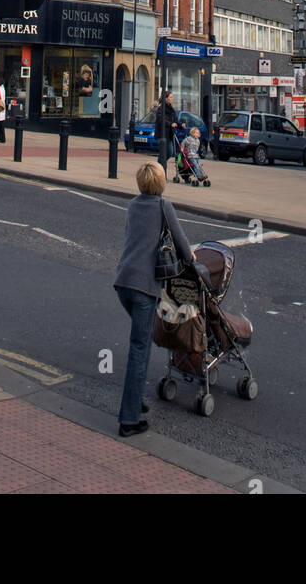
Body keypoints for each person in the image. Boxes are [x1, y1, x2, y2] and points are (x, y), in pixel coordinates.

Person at [113, 161, 194, 438]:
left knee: (141, 342)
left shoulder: (133, 205)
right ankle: (129, 420)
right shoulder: (163, 207)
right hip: (145, 287)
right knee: (140, 348)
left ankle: (134, 402)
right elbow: (182, 245)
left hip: (123, 282)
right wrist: (191, 259)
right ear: (161, 183)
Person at [154, 90, 177, 172]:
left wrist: (181, 125)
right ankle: (160, 170)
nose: (172, 99)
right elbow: (161, 120)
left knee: (170, 152)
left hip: (169, 135)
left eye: (172, 97)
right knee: (163, 153)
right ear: (166, 98)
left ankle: (158, 166)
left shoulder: (171, 109)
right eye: (170, 97)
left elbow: (175, 120)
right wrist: (170, 124)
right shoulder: (160, 109)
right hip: (161, 135)